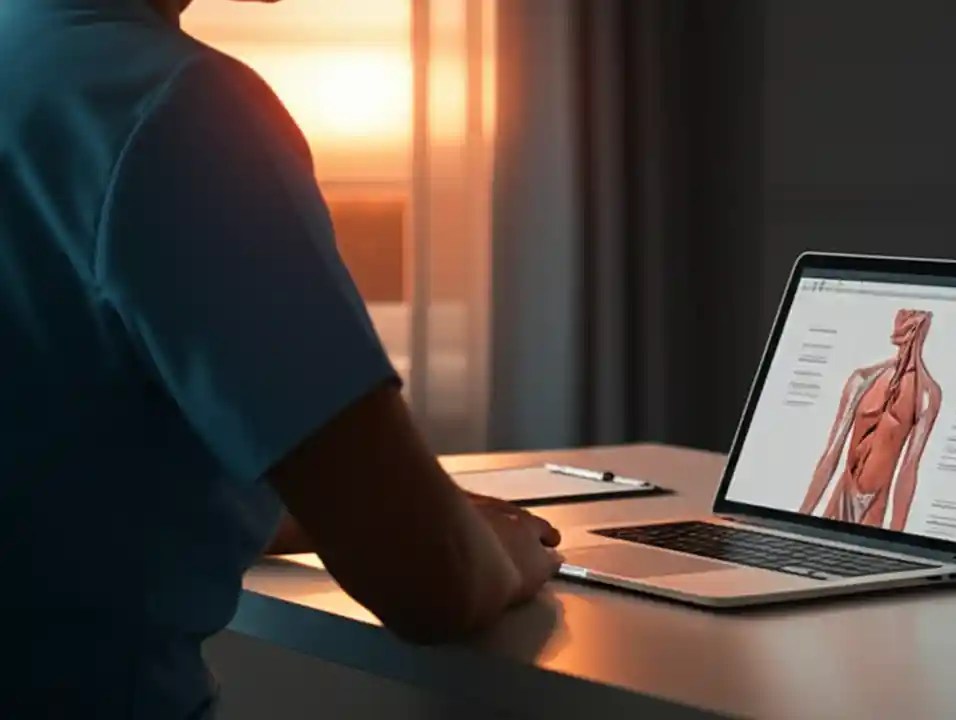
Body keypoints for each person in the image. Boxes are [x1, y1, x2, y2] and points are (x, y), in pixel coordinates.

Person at [0, 0, 562, 716]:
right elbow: (431, 581)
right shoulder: (174, 110)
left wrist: (339, 509)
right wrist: (505, 553)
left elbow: (68, 481)